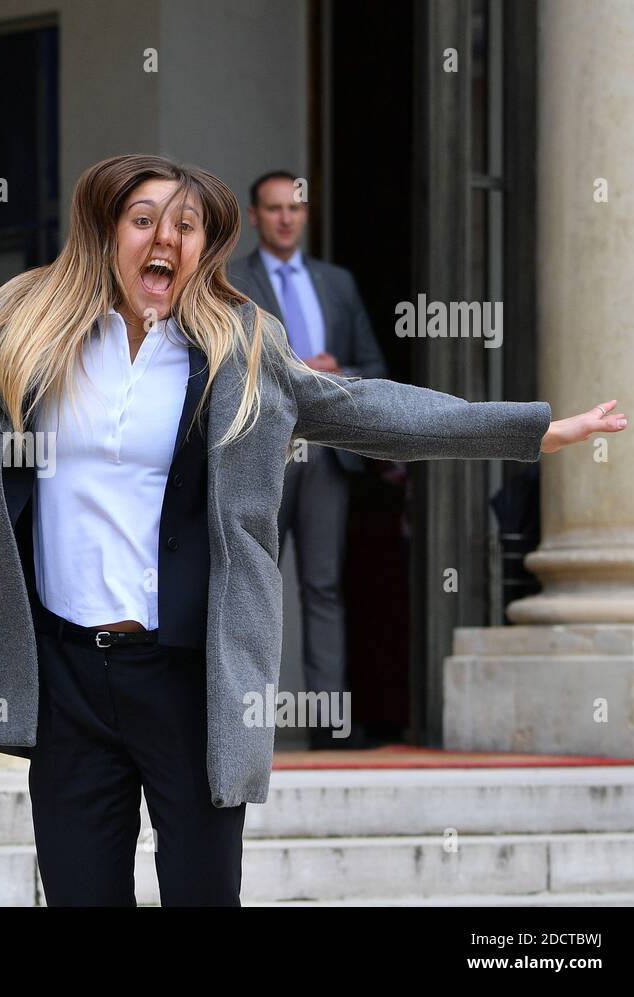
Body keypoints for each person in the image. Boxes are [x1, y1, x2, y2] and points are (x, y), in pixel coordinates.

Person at [0, 27, 628, 906]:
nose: (162, 239)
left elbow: (374, 412)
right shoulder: (22, 333)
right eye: (143, 221)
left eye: (186, 226)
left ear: (204, 249)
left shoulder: (241, 357)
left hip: (190, 683)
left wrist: (532, 430)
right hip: (66, 681)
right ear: (108, 233)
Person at [228, 170, 388, 749]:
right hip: (263, 452)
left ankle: (330, 727)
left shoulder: (337, 283)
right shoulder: (233, 280)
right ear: (254, 215)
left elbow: (375, 365)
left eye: (294, 208)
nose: (285, 218)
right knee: (251, 585)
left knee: (323, 587)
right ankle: (248, 723)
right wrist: (291, 368)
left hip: (325, 455)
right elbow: (223, 363)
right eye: (273, 209)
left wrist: (339, 374)